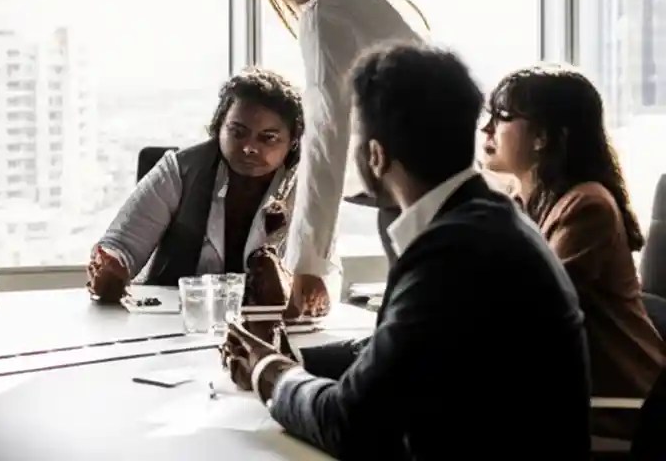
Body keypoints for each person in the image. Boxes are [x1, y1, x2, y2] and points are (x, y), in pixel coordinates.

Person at [222, 43, 590, 459]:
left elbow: (350, 422)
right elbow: (397, 348)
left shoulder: (456, 250)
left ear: (376, 155)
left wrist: (268, 373)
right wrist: (289, 355)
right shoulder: (487, 219)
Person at [248, 0, 430, 316]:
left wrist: (308, 265)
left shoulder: (324, 11)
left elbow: (327, 138)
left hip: (407, 195)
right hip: (434, 192)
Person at [483, 64, 666, 440]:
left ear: (543, 137)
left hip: (623, 408)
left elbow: (533, 311)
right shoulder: (520, 203)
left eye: (501, 117)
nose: (486, 129)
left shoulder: (587, 206)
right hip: (573, 398)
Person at [87, 68, 302, 303]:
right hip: (175, 325)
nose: (249, 147)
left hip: (275, 329)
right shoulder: (179, 170)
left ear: (292, 141)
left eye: (268, 137)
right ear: (219, 127)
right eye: (238, 132)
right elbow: (122, 246)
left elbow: (322, 270)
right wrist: (110, 267)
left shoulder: (306, 188)